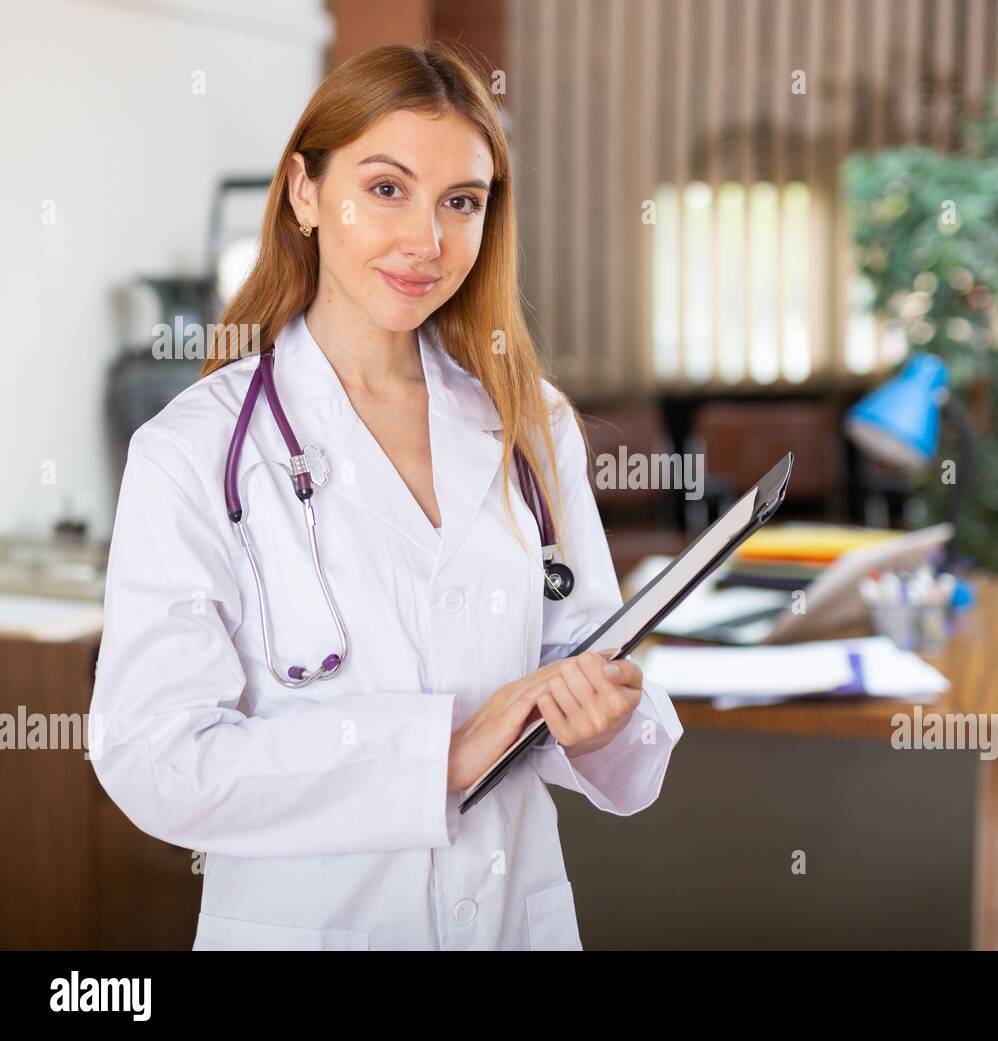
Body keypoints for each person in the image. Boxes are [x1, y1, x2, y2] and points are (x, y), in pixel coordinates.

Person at [88, 42, 683, 951]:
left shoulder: (531, 422)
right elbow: (156, 759)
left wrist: (605, 722)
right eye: (386, 189)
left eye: (461, 202)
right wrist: (437, 753)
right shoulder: (193, 450)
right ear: (303, 193)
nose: (426, 242)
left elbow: (596, 676)